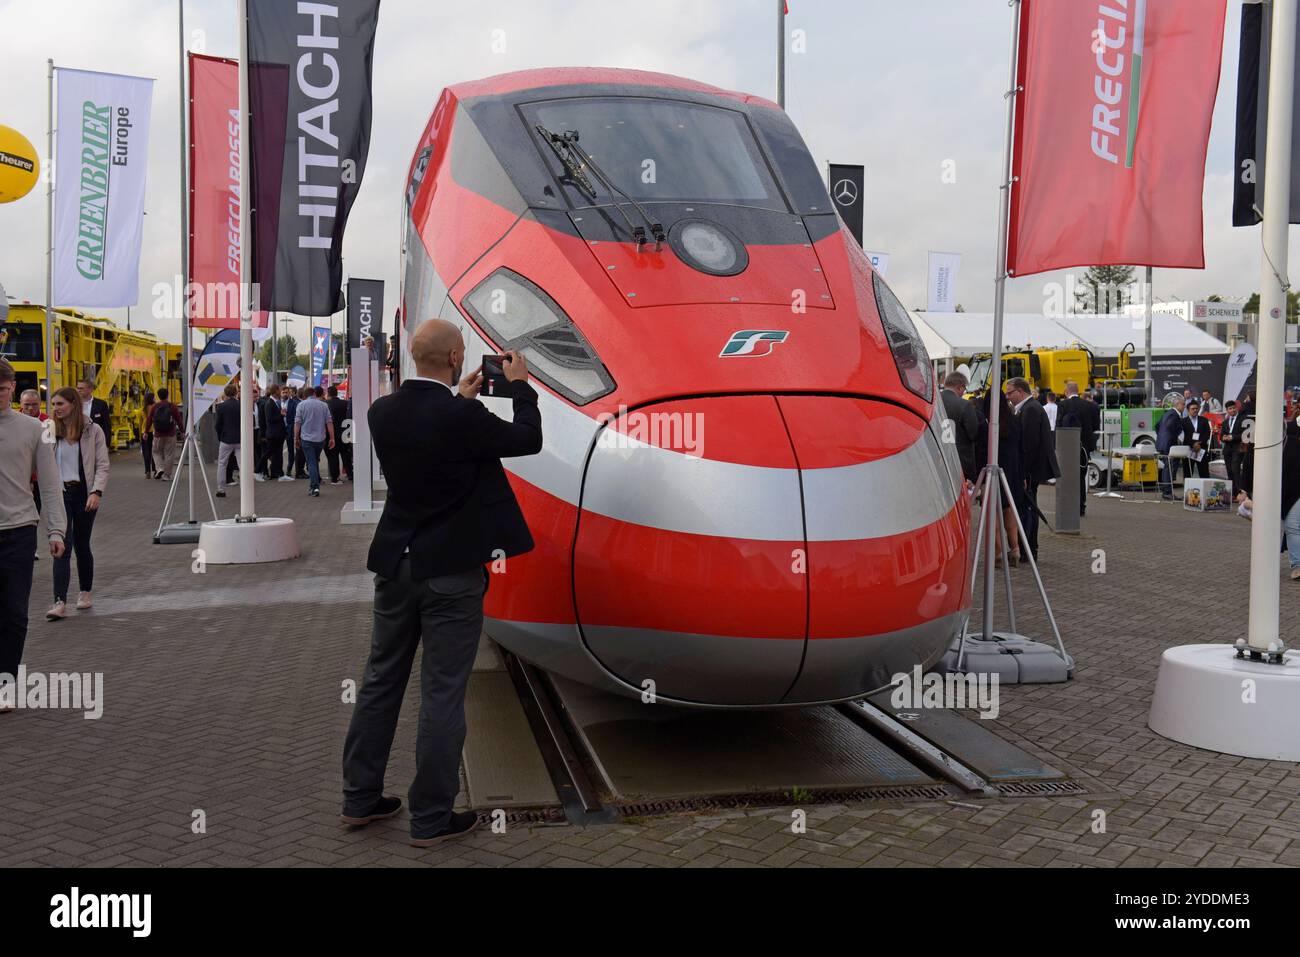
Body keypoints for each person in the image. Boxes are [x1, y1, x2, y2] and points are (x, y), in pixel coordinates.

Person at [341, 319, 542, 846]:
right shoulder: (463, 415)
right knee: (443, 693)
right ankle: (431, 817)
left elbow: (431, 434)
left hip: (395, 565)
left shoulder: (382, 411)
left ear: (412, 357)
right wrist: (519, 386)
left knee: (381, 679)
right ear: (457, 356)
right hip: (450, 571)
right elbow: (527, 440)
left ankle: (360, 799)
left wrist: (459, 397)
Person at [0, 360, 67, 711]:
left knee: (13, 613)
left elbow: (52, 484)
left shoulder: (34, 429)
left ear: (12, 388)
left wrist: (56, 529)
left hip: (19, 531)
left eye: (2, 388)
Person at [45, 386, 109, 620]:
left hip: (85, 494)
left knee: (82, 544)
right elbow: (40, 461)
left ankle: (85, 591)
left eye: (60, 404)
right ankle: (59, 601)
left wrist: (97, 491)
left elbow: (102, 464)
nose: (55, 409)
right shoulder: (49, 430)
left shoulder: (93, 430)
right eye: (53, 404)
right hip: (60, 495)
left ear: (73, 403)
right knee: (61, 546)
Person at [1006, 377, 1059, 562]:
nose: (1008, 397)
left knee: (1027, 509)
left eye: (1009, 392)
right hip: (1030, 469)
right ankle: (1026, 548)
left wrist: (1023, 473)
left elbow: (1028, 445)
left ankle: (1028, 549)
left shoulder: (1030, 410)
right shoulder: (1030, 408)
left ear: (1020, 391)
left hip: (1030, 470)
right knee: (1026, 508)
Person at [979, 389, 1025, 566]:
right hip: (1011, 473)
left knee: (993, 513)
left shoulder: (987, 423)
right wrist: (1022, 474)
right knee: (1009, 510)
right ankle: (1015, 550)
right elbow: (1021, 450)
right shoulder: (1014, 421)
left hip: (992, 472)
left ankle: (997, 553)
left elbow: (982, 451)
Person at [1056, 380, 1099, 516]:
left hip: (1067, 447)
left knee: (1067, 476)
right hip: (1084, 448)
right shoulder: (1089, 406)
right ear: (1078, 390)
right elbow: (1095, 427)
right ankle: (1081, 506)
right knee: (1081, 476)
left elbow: (1058, 426)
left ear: (1066, 392)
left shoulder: (1062, 405)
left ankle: (1068, 505)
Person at [939, 372, 981, 485]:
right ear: (960, 386)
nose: (964, 392)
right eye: (964, 388)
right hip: (961, 461)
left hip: (937, 460)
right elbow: (973, 434)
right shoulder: (964, 405)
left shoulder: (933, 403)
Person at [294, 386, 334, 496]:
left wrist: (295, 438)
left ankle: (314, 487)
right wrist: (332, 438)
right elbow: (329, 422)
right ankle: (314, 485)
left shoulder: (301, 405)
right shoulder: (324, 405)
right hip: (320, 439)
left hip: (306, 438)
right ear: (315, 394)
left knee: (311, 462)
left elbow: (297, 423)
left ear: (305, 396)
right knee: (314, 461)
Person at [147, 387, 184, 481]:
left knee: (156, 452)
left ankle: (160, 468)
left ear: (158, 396)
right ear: (167, 395)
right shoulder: (172, 406)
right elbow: (179, 420)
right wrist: (182, 431)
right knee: (169, 454)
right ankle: (166, 475)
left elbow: (149, 420)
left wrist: (146, 432)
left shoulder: (155, 406)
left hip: (158, 434)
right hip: (170, 434)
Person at [1155, 397, 1186, 500]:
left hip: (1163, 444)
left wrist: (1162, 437)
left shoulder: (1168, 413)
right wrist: (1176, 436)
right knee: (1169, 468)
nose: (1184, 406)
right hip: (1169, 445)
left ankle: (1166, 491)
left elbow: (1157, 426)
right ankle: (1167, 492)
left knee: (1167, 468)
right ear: (1177, 405)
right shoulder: (1174, 414)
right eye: (1183, 404)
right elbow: (1169, 425)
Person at [213, 384, 241, 498]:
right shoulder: (241, 405)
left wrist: (221, 436)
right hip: (240, 439)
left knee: (222, 464)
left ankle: (221, 489)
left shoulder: (221, 407)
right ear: (236, 392)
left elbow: (217, 425)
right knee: (242, 465)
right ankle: (245, 489)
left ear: (225, 393)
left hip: (226, 439)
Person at [325, 384, 353, 486]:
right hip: (344, 433)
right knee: (346, 455)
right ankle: (350, 474)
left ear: (328, 394)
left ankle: (335, 477)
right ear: (337, 393)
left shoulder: (326, 404)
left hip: (331, 435)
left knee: (333, 457)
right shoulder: (345, 403)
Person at [1284, 420, 1300, 582]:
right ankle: (1297, 565)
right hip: (1292, 490)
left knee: (1293, 526)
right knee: (1293, 526)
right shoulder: (1290, 429)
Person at [260, 384, 287, 480]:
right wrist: (281, 415)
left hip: (279, 433)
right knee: (268, 452)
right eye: (279, 390)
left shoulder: (276, 402)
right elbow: (270, 419)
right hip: (273, 433)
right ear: (275, 391)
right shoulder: (269, 403)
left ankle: (278, 473)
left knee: (278, 454)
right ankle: (257, 470)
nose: (280, 392)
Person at [1182, 399, 1212, 479]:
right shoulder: (1183, 421)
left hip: (1201, 449)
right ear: (1188, 410)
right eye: (1193, 409)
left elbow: (1207, 433)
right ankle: (1188, 490)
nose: (1195, 410)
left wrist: (1199, 443)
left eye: (1196, 408)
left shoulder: (1204, 420)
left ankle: (1205, 490)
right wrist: (1193, 444)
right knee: (1188, 473)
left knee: (1204, 473)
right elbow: (1183, 435)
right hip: (1188, 449)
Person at [1220, 400, 1246, 489]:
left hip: (1238, 448)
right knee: (1229, 471)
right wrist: (1223, 438)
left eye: (1234, 408)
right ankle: (1233, 492)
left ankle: (1239, 491)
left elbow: (1245, 434)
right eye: (1230, 409)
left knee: (1235, 469)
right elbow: (1221, 435)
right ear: (1227, 410)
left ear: (1237, 408)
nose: (1232, 410)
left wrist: (1233, 437)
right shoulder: (1225, 422)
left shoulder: (1243, 419)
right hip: (1227, 449)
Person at [141, 391, 156, 479]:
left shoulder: (142, 410)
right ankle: (155, 469)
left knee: (146, 452)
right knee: (154, 451)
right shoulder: (155, 408)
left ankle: (147, 470)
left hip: (144, 432)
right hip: (154, 431)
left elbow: (140, 422)